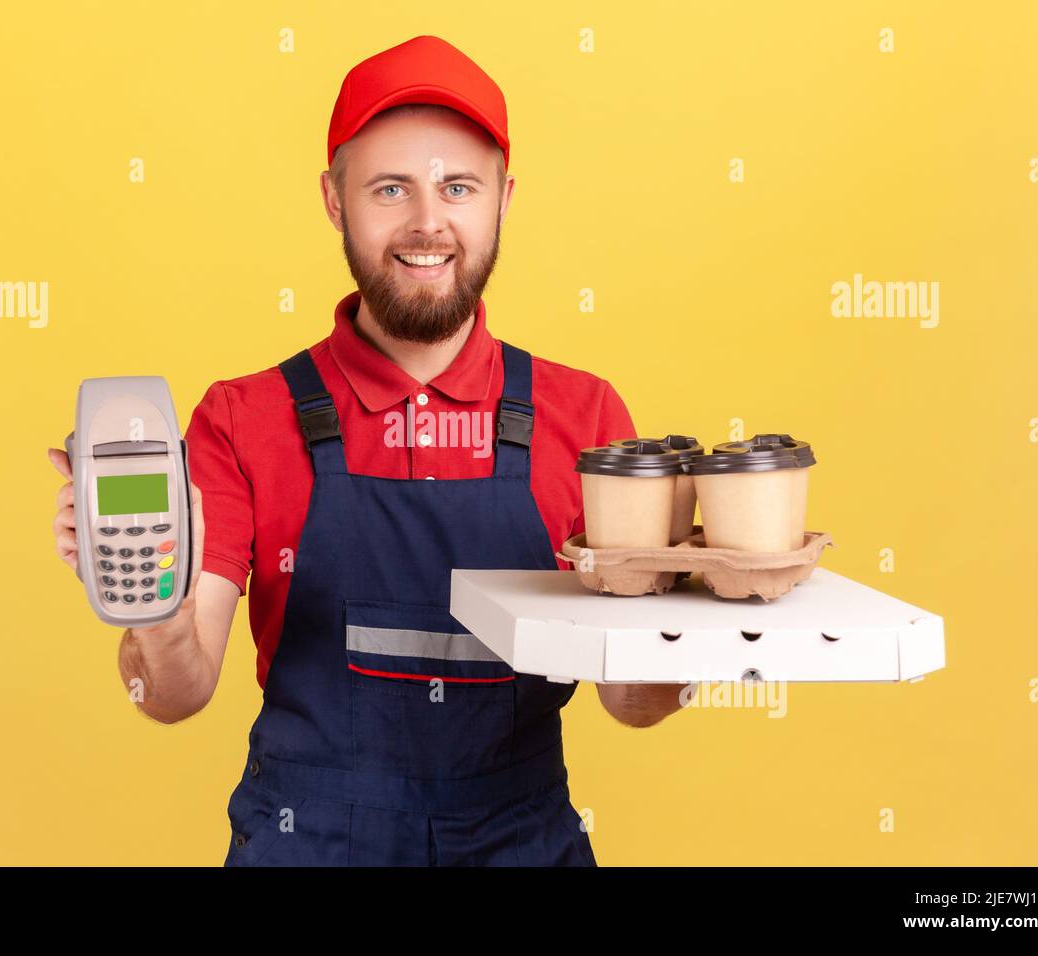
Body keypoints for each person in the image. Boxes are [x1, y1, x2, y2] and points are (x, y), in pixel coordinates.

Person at [48, 35, 688, 867]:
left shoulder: (584, 414)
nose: (428, 224)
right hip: (306, 842)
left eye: (458, 187)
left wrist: (689, 624)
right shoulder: (245, 416)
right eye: (391, 188)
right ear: (334, 198)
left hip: (519, 843)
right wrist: (160, 622)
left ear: (503, 199)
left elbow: (631, 703)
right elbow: (174, 697)